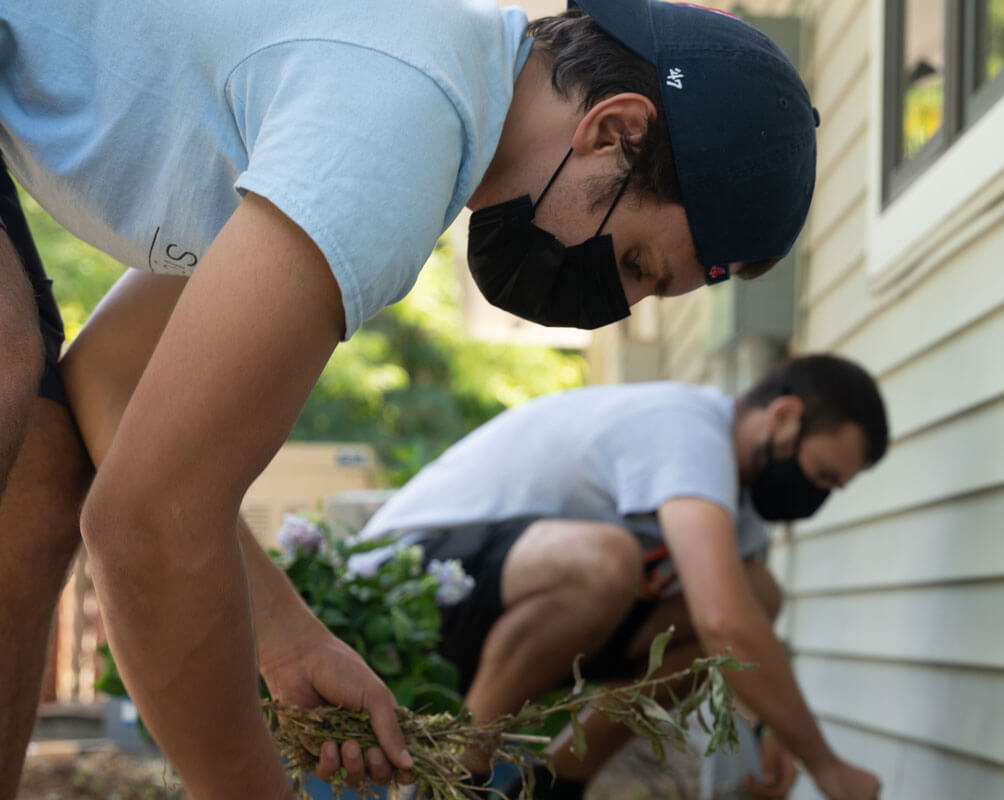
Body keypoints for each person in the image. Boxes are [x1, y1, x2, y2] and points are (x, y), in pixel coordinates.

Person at [0, 1, 821, 796]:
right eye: (640, 263)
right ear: (613, 130)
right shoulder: (398, 123)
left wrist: (286, 635)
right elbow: (148, 526)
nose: (619, 300)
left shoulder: (412, 99)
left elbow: (109, 380)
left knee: (33, 482)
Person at [353, 355, 890, 800]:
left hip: (506, 604)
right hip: (413, 583)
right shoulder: (688, 429)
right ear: (783, 417)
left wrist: (766, 727)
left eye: (832, 487)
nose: (814, 496)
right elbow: (722, 616)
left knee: (759, 593)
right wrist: (825, 764)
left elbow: (734, 625)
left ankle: (554, 785)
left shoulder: (740, 505)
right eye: (820, 474)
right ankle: (455, 779)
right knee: (606, 562)